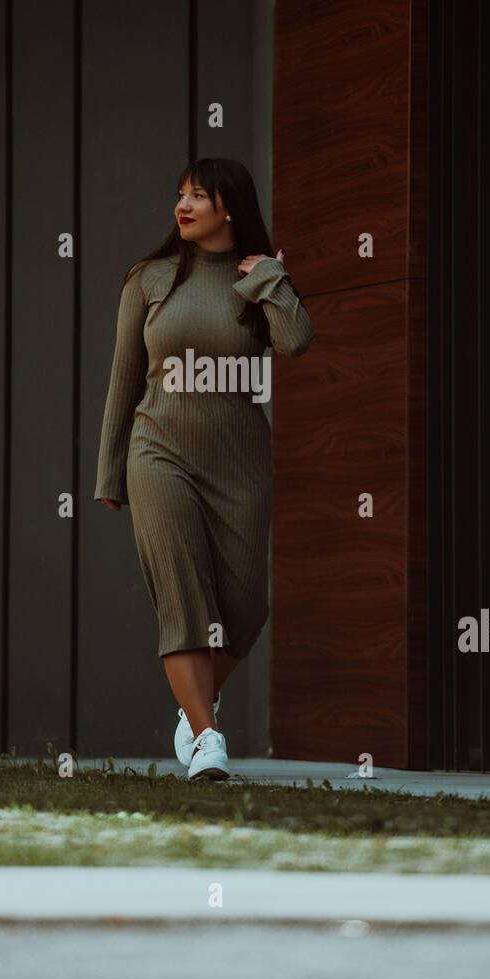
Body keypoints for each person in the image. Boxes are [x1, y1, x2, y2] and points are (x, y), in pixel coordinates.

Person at [94, 157, 314, 779]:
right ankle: (209, 740)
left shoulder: (257, 278)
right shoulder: (150, 278)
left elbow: (297, 341)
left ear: (230, 208)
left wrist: (272, 278)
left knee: (244, 607)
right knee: (185, 599)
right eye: (180, 194)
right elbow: (124, 378)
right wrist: (110, 472)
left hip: (241, 461)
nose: (183, 206)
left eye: (198, 196)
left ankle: (193, 711)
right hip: (158, 451)